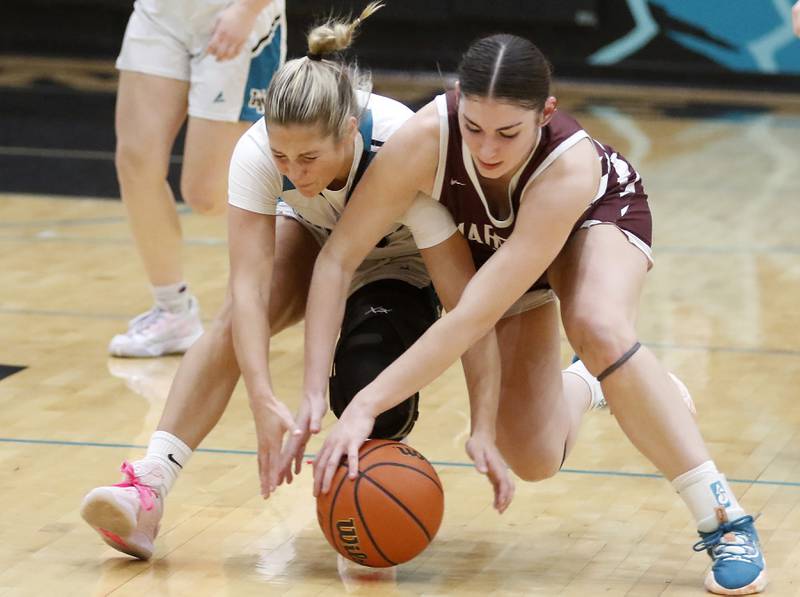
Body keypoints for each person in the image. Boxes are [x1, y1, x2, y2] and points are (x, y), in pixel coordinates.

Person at [296, 34, 767, 595]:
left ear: (546, 113)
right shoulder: (424, 138)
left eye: (507, 133)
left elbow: (471, 317)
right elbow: (338, 259)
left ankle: (724, 519)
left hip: (595, 217)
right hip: (501, 252)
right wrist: (314, 396)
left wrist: (368, 404)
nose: (487, 149)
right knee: (534, 455)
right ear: (455, 99)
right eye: (473, 128)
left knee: (597, 325)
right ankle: (596, 382)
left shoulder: (569, 167)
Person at [79, 2, 504, 561]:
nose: (293, 172)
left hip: (403, 261)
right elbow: (249, 291)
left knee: (364, 390)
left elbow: (465, 305)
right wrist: (262, 397)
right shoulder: (259, 152)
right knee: (235, 322)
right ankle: (149, 487)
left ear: (349, 132)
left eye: (309, 158)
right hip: (315, 237)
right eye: (283, 156)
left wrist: (482, 424)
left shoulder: (404, 150)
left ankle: (363, 492)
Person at [108, 0, 286, 357]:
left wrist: (247, 11)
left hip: (236, 16)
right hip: (162, 14)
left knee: (206, 195)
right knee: (136, 161)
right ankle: (173, 310)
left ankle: (313, 234)